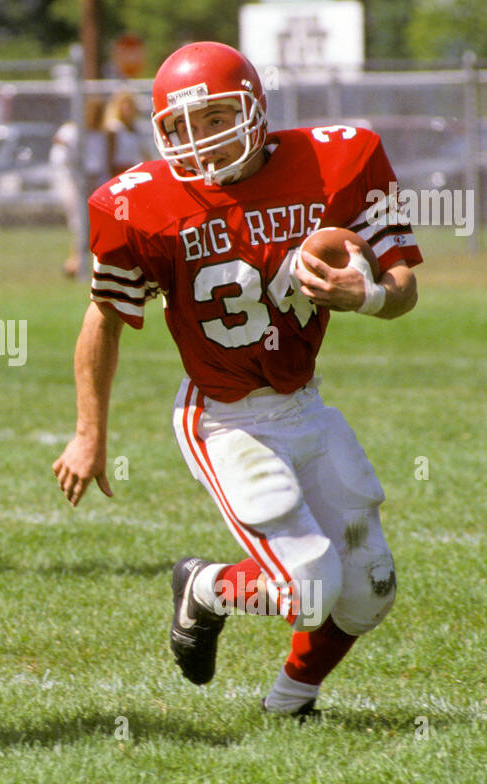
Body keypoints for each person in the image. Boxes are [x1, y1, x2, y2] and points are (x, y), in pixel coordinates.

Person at [52, 41, 422, 716]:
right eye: (179, 128)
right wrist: (88, 433)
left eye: (217, 117)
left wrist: (362, 294)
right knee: (309, 585)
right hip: (223, 415)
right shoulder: (139, 204)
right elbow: (102, 319)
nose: (200, 141)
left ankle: (290, 703)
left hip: (303, 403)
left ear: (256, 110)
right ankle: (206, 587)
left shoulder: (339, 161)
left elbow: (403, 286)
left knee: (370, 582)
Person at [51, 96, 108, 279]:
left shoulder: (101, 134)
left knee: (96, 225)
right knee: (80, 224)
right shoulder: (72, 131)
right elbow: (59, 155)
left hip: (96, 182)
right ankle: (76, 262)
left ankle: (80, 262)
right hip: (75, 181)